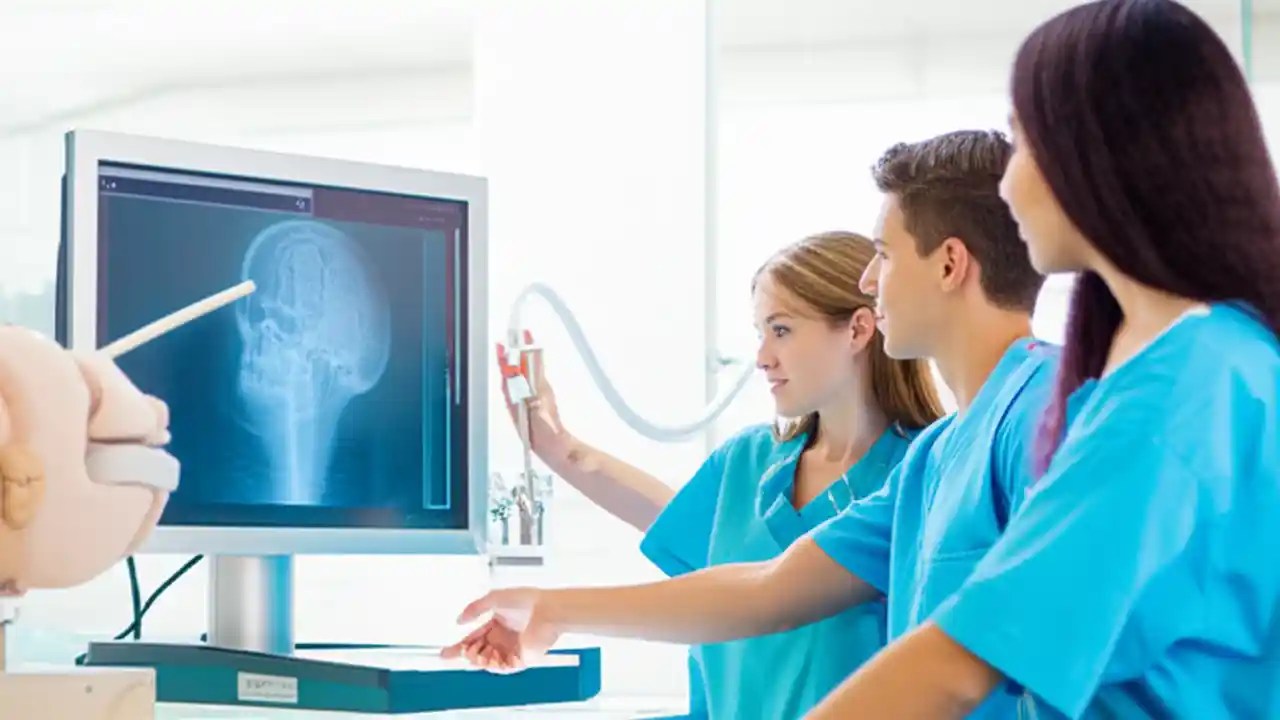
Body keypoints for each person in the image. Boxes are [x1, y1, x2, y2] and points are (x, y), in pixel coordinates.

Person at [444, 128, 1056, 720]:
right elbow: (766, 587)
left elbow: (1028, 651)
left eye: (885, 256)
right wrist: (553, 607)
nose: (871, 281)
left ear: (949, 264)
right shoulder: (934, 462)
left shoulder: (1045, 410)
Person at [494, 230, 945, 719]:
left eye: (782, 330)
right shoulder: (750, 462)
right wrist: (557, 447)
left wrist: (557, 610)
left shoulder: (923, 474)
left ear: (858, 330)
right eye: (760, 334)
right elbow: (684, 529)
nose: (762, 358)